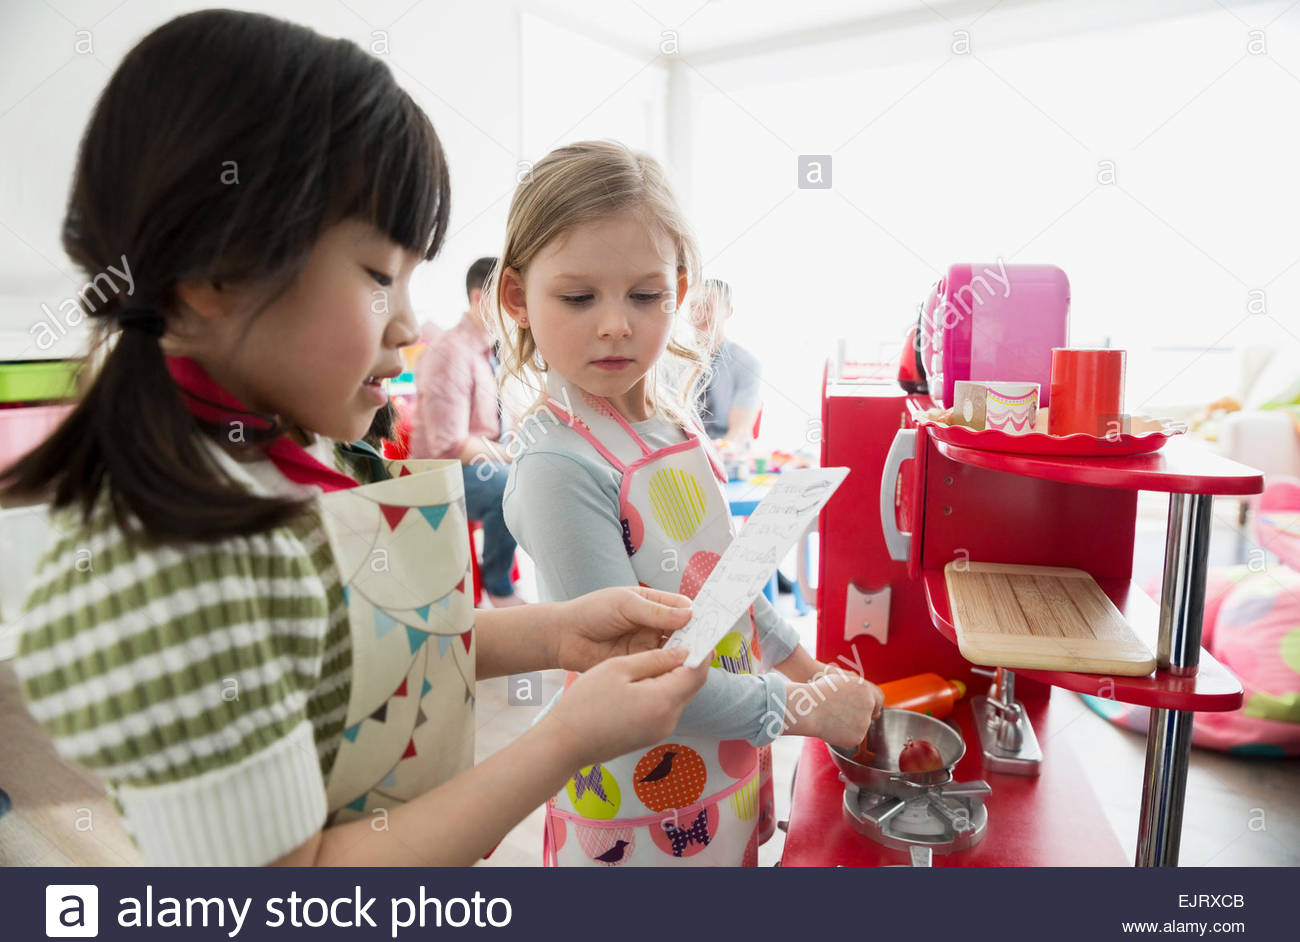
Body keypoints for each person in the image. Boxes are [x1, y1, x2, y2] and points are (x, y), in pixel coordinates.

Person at [0, 11, 710, 867]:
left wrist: (554, 635)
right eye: (378, 275)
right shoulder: (185, 562)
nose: (409, 322)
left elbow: (354, 654)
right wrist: (560, 741)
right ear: (215, 272)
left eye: (410, 278)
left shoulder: (305, 457)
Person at [495, 141, 884, 867]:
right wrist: (795, 708)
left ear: (679, 288)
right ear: (517, 297)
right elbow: (635, 675)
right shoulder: (558, 463)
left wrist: (807, 670)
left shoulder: (672, 415)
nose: (616, 324)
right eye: (579, 297)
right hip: (632, 811)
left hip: (724, 765)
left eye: (645, 296)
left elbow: (729, 583)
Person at [412, 256, 522, 607]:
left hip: (474, 463)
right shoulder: (451, 354)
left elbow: (496, 424)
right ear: (480, 299)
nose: (517, 308)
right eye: (507, 297)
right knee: (507, 483)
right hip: (439, 475)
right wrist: (512, 454)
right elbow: (452, 447)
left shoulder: (490, 350)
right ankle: (499, 587)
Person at [690, 279, 762, 446]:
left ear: (728, 311)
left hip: (728, 452)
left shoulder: (746, 363)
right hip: (687, 451)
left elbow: (739, 432)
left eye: (707, 307)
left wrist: (713, 458)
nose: (698, 314)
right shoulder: (675, 361)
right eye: (693, 306)